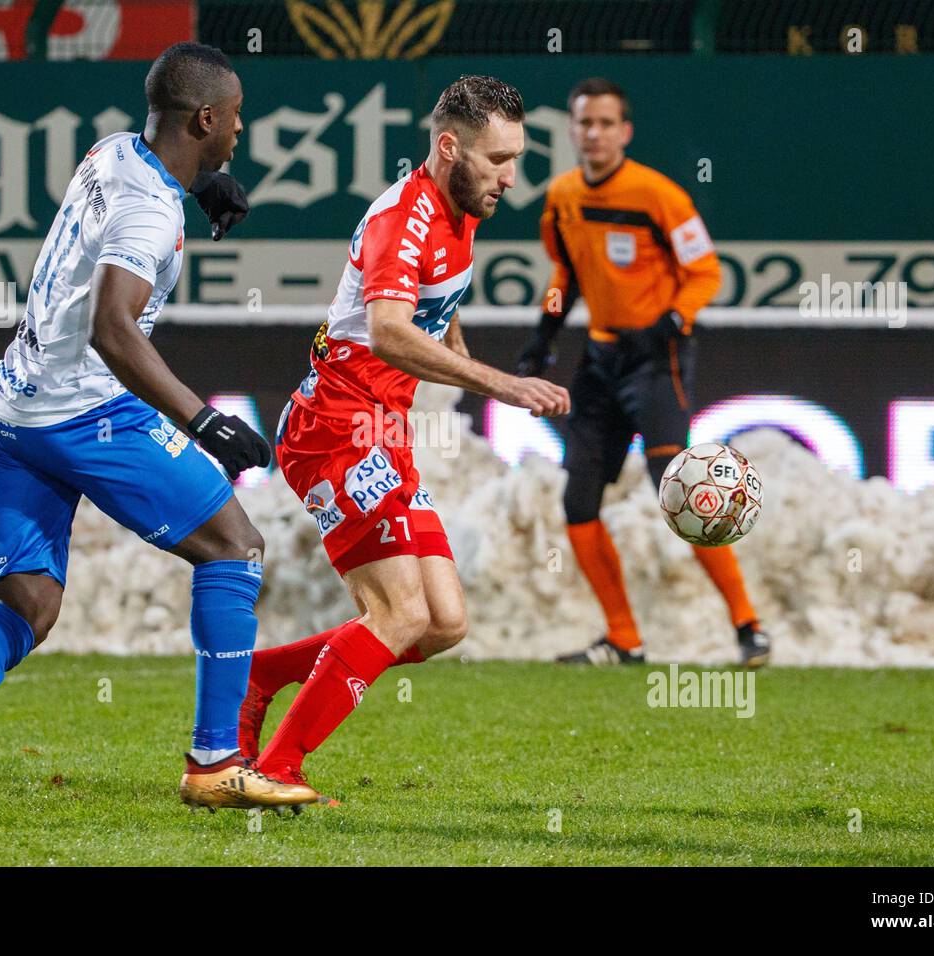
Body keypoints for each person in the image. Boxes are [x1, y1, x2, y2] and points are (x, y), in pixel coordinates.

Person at [0, 41, 319, 821]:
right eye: (235, 120)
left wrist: (204, 183)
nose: (241, 131)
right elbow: (113, 329)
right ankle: (217, 760)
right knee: (235, 545)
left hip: (6, 407)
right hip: (82, 414)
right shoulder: (150, 212)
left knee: (32, 604)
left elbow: (138, 192)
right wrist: (203, 417)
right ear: (207, 118)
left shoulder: (117, 150)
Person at [238, 76, 571, 798]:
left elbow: (430, 306)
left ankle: (261, 676)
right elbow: (388, 330)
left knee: (443, 623)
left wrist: (453, 335)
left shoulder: (460, 206)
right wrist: (503, 386)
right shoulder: (409, 215)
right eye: (496, 159)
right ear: (448, 146)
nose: (510, 177)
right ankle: (276, 767)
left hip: (382, 430)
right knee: (400, 612)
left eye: (516, 158)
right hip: (336, 427)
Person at [516, 77, 770, 668]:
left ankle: (748, 625)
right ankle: (623, 638)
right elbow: (566, 276)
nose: (595, 133)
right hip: (600, 361)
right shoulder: (562, 196)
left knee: (683, 489)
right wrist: (543, 338)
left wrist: (672, 320)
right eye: (584, 123)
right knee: (578, 498)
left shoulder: (659, 195)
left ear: (625, 131)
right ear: (572, 129)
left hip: (658, 360)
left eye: (606, 123)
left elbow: (706, 271)